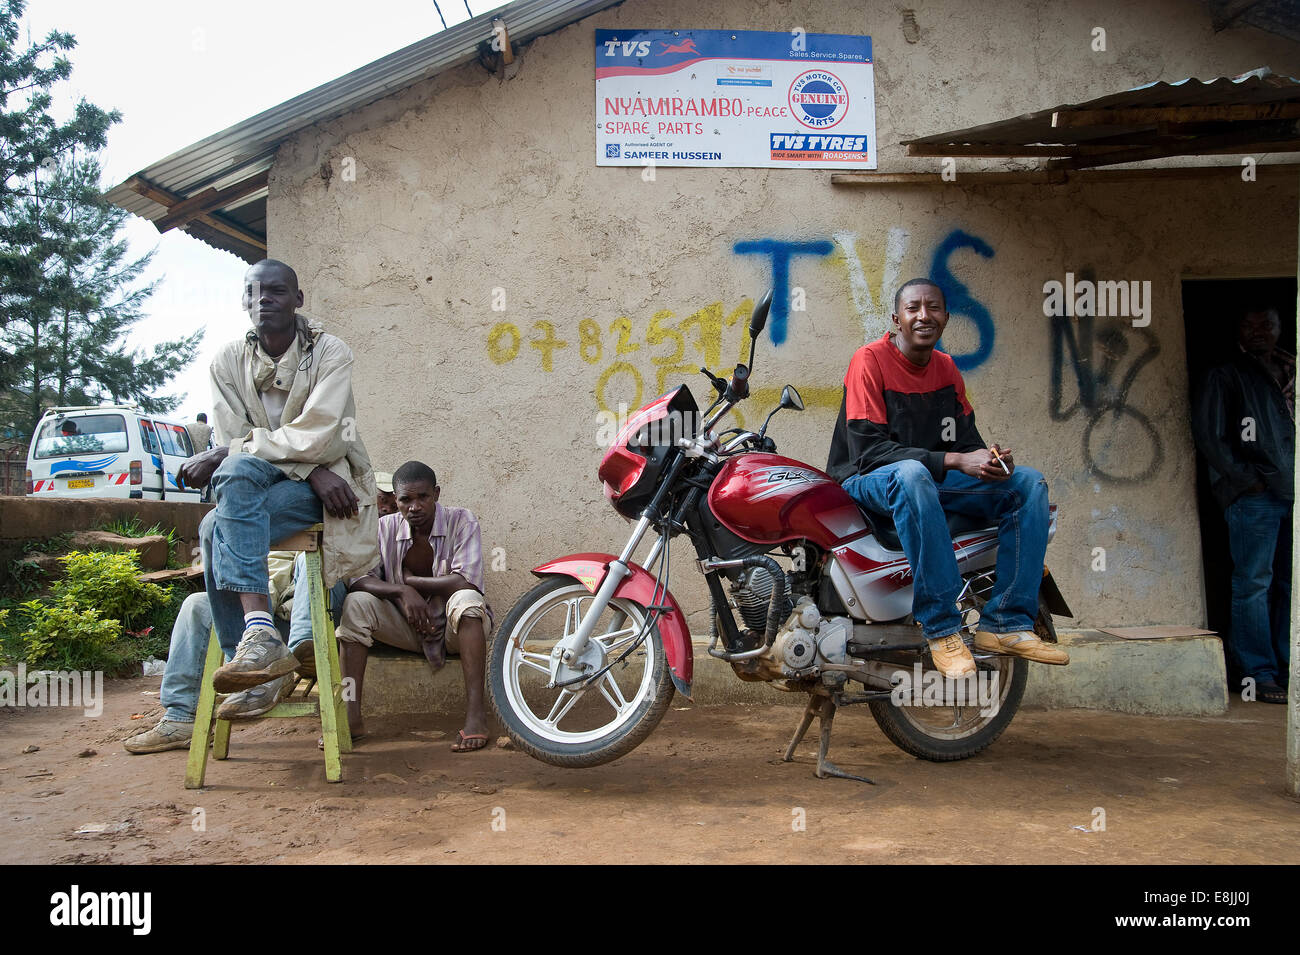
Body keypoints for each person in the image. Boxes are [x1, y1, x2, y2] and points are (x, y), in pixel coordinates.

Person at [826, 277, 1068, 679]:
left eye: (933, 308)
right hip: (866, 479)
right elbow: (869, 452)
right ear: (896, 320)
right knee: (910, 473)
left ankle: (1006, 623)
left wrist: (991, 463)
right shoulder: (868, 360)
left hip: (926, 479)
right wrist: (956, 460)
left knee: (1028, 483)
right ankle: (941, 628)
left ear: (946, 318)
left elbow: (967, 444)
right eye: (914, 308)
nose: (924, 315)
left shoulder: (947, 368)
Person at [176, 259, 379, 695]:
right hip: (267, 485)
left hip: (327, 491)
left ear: (298, 300)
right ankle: (258, 644)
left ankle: (252, 669)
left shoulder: (330, 352)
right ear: (243, 300)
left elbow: (322, 437)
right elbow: (235, 444)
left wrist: (306, 469)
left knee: (218, 519)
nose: (264, 298)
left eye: (276, 291)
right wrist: (303, 467)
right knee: (216, 515)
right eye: (254, 291)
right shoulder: (227, 361)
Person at [124, 486, 404, 754]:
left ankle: (300, 651)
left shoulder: (370, 536)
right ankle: (181, 716)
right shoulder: (275, 527)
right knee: (196, 605)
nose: (386, 510)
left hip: (323, 624)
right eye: (381, 502)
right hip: (268, 622)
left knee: (314, 559)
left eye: (391, 506)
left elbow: (364, 587)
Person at [335, 459, 493, 752]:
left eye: (423, 497)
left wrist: (415, 582)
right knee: (356, 603)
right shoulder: (383, 528)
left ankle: (476, 716)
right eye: (406, 499)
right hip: (407, 627)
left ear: (437, 494)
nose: (415, 506)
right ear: (396, 500)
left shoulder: (462, 521)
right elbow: (357, 578)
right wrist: (401, 590)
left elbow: (466, 582)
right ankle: (351, 716)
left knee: (469, 601)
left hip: (454, 632)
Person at [1193, 306, 1295, 704]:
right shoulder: (1226, 372)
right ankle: (1259, 672)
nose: (1258, 333)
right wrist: (1245, 480)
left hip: (1291, 491)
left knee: (1290, 585)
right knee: (1254, 582)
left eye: (1266, 325)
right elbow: (1209, 434)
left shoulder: (1291, 368)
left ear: (1280, 328)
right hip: (1256, 495)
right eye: (1250, 325)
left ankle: (1290, 667)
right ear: (1238, 330)